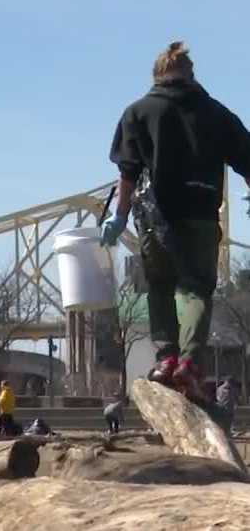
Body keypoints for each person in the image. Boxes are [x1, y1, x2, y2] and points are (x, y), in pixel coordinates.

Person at [104, 41, 250, 402]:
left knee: (159, 286)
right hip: (200, 214)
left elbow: (128, 173)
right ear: (191, 75)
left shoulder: (136, 112)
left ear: (157, 76)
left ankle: (166, 358)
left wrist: (119, 216)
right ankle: (190, 363)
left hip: (155, 217)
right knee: (198, 288)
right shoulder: (216, 113)